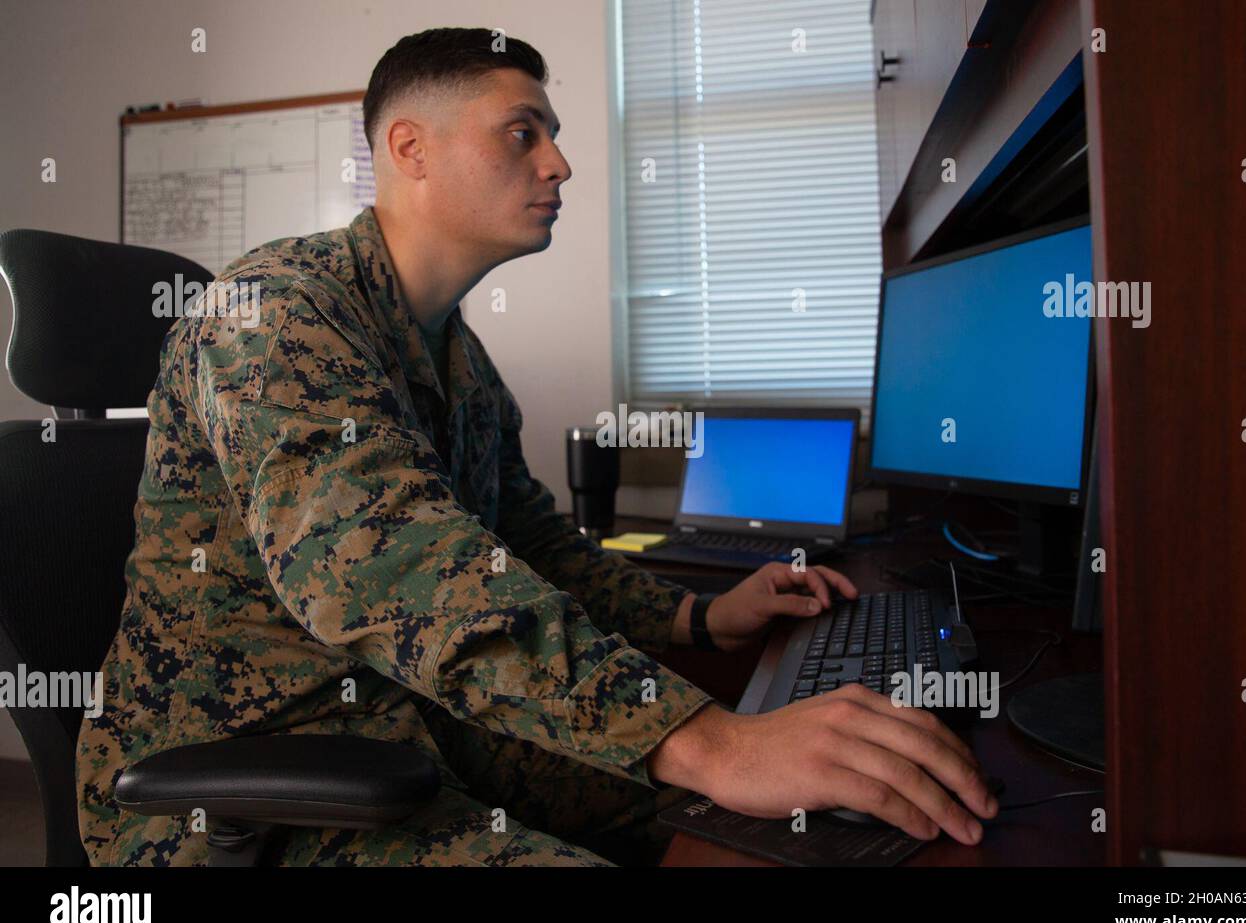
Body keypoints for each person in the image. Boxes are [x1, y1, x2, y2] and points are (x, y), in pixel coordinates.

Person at [76, 27, 996, 866]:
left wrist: (697, 621)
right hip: (254, 781)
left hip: (423, 726)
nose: (559, 163)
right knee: (710, 780)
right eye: (523, 133)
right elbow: (386, 571)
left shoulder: (461, 358)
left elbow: (534, 544)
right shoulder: (274, 311)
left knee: (775, 831)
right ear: (410, 149)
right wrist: (711, 740)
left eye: (552, 135)